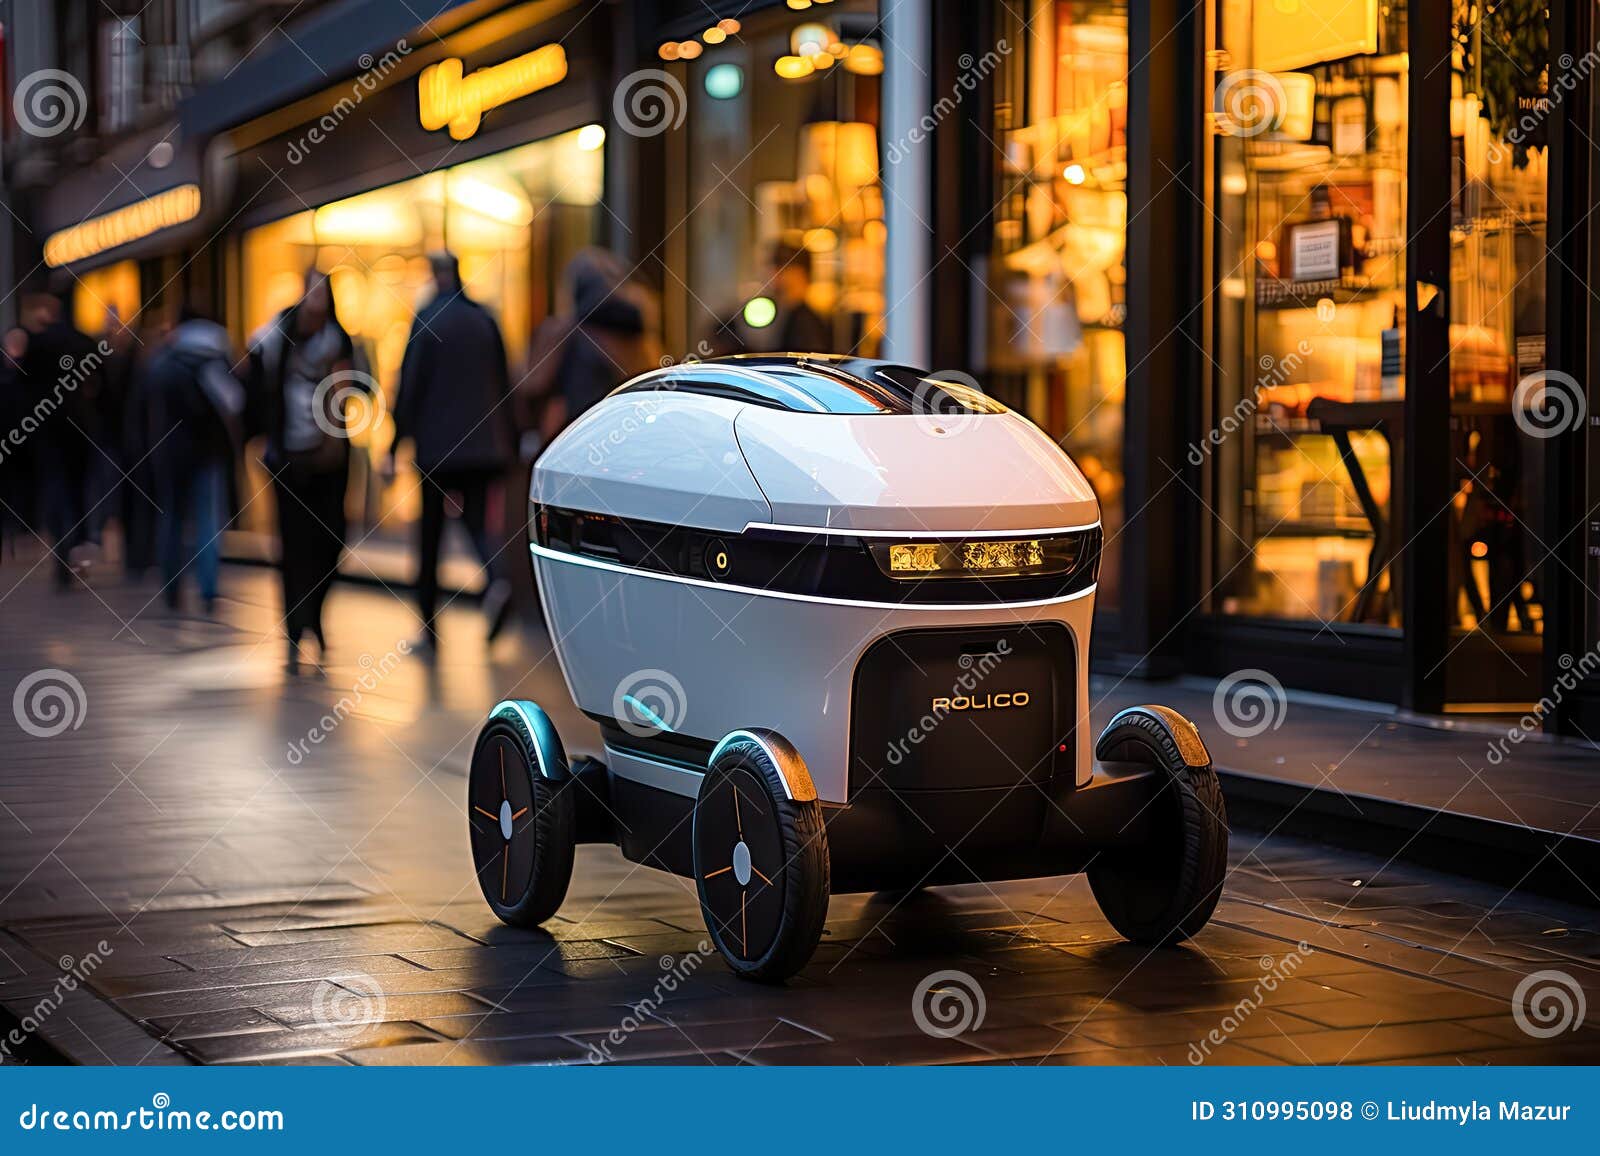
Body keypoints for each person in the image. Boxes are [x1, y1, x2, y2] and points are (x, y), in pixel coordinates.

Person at [386, 252, 517, 650]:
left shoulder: (428, 318)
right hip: (483, 448)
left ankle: (429, 626)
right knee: (476, 523)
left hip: (437, 450)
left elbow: (410, 387)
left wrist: (395, 444)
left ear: (435, 276)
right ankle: (497, 580)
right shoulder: (484, 319)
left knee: (430, 536)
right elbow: (506, 384)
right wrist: (510, 441)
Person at [249, 271, 355, 673]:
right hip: (288, 460)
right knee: (292, 545)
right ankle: (295, 625)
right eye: (311, 292)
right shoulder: (277, 336)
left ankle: (314, 612)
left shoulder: (340, 340)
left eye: (321, 293)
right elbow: (256, 384)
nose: (315, 301)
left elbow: (358, 387)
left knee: (332, 539)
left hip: (330, 457)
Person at [145, 304, 243, 614]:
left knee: (171, 518)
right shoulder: (216, 357)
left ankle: (172, 587)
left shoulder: (164, 359)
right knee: (207, 520)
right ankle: (208, 589)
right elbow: (235, 402)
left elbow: (148, 405)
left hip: (171, 452)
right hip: (208, 451)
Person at [518, 248, 661, 445]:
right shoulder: (640, 336)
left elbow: (546, 398)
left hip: (580, 440)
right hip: (630, 436)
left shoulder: (568, 336)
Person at [18, 283, 103, 589]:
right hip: (79, 426)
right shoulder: (82, 342)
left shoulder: (35, 345)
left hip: (47, 429)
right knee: (79, 491)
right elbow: (98, 385)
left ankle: (62, 554)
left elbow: (23, 387)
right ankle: (78, 548)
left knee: (55, 489)